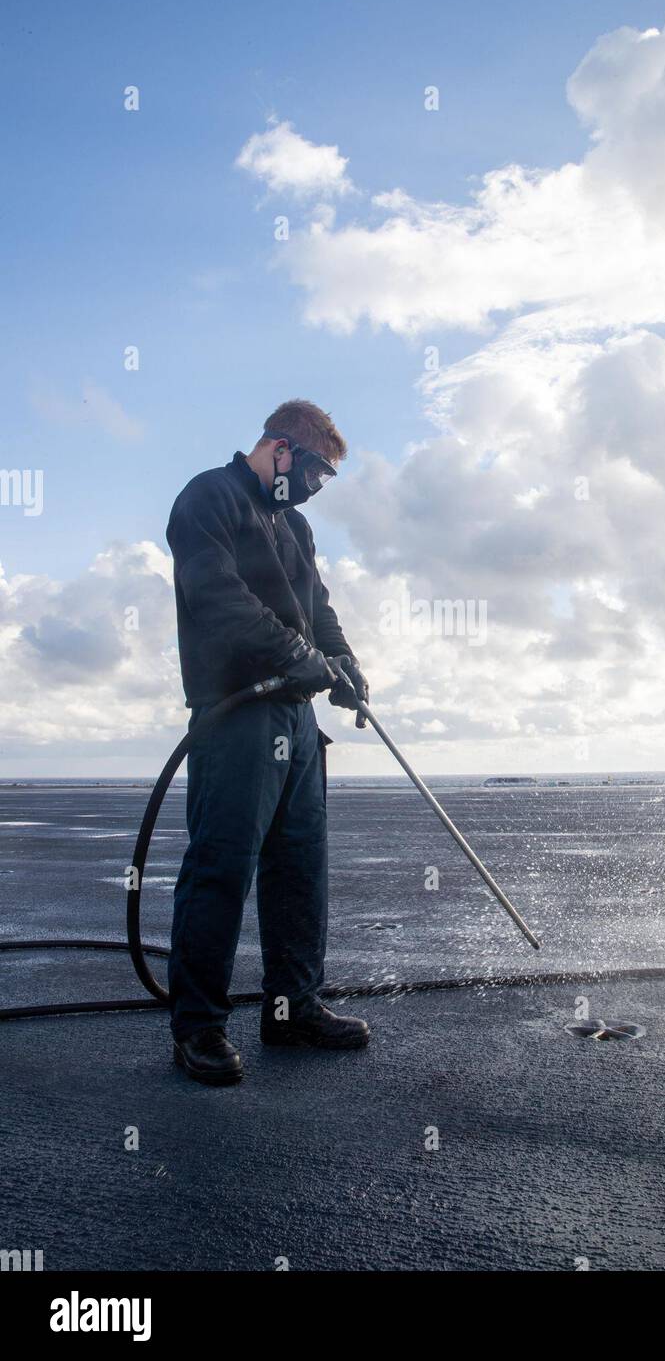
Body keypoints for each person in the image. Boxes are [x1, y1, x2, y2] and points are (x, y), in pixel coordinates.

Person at [164, 400, 370, 1085]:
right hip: (236, 714)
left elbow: (319, 608)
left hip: (298, 720)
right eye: (314, 472)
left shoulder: (296, 527)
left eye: (325, 480)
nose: (316, 487)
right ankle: (198, 1029)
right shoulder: (208, 499)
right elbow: (216, 599)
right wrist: (295, 655)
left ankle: (291, 1011)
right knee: (222, 867)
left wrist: (343, 664)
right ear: (279, 450)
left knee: (299, 867)